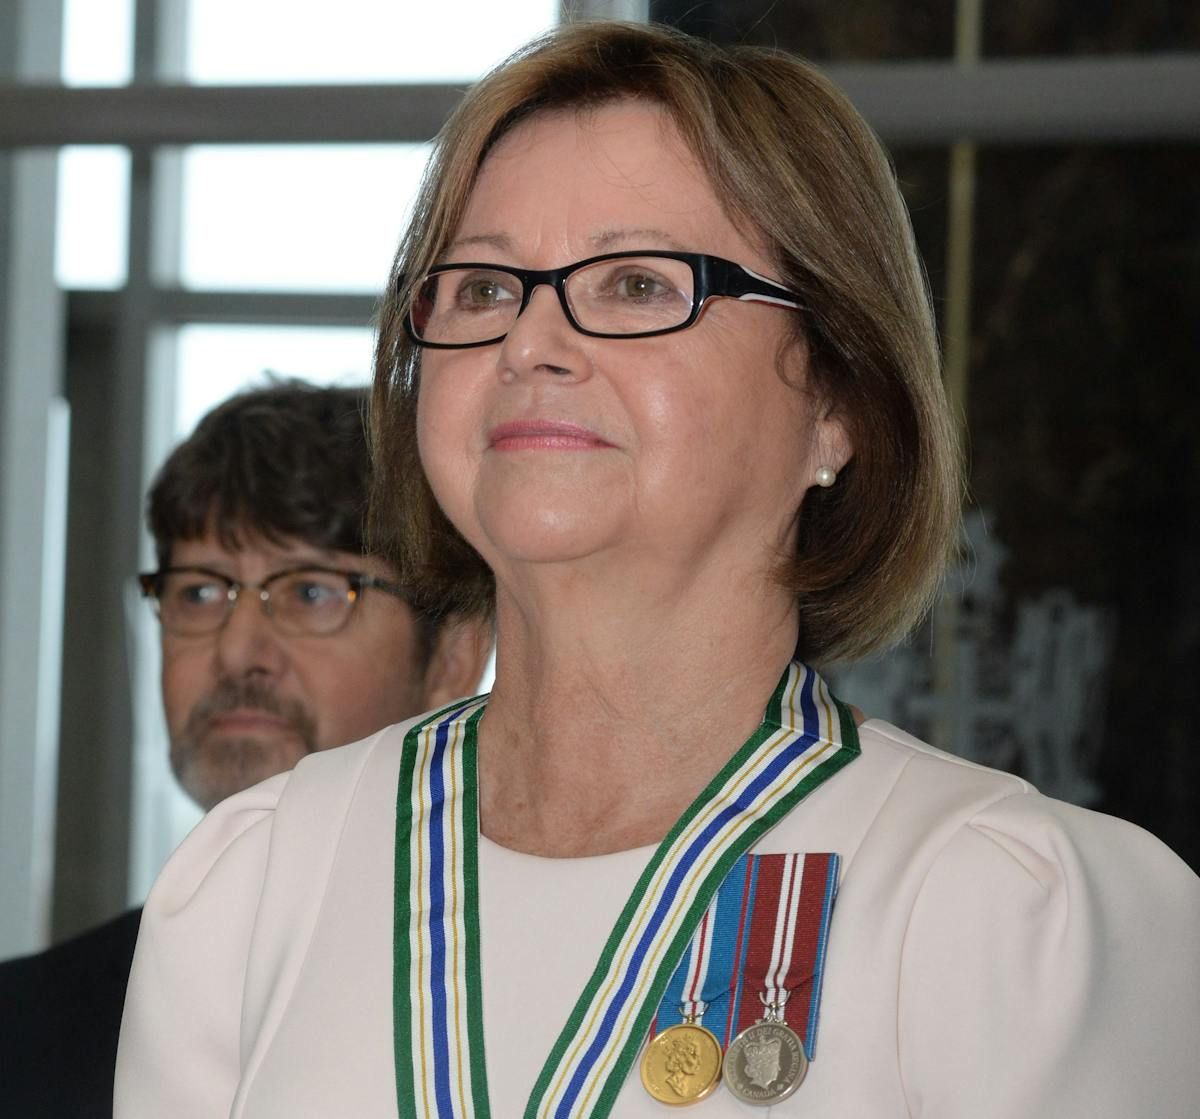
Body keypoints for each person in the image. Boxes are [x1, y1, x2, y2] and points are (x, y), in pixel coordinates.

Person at [115, 23, 1200, 1119]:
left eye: (637, 283)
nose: (532, 341)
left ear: (838, 404)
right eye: (485, 288)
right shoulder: (254, 885)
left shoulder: (1002, 913)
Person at [1, 381, 490, 1119]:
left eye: (313, 592)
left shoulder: (530, 995)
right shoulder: (24, 1029)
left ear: (453, 657)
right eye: (200, 593)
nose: (237, 651)